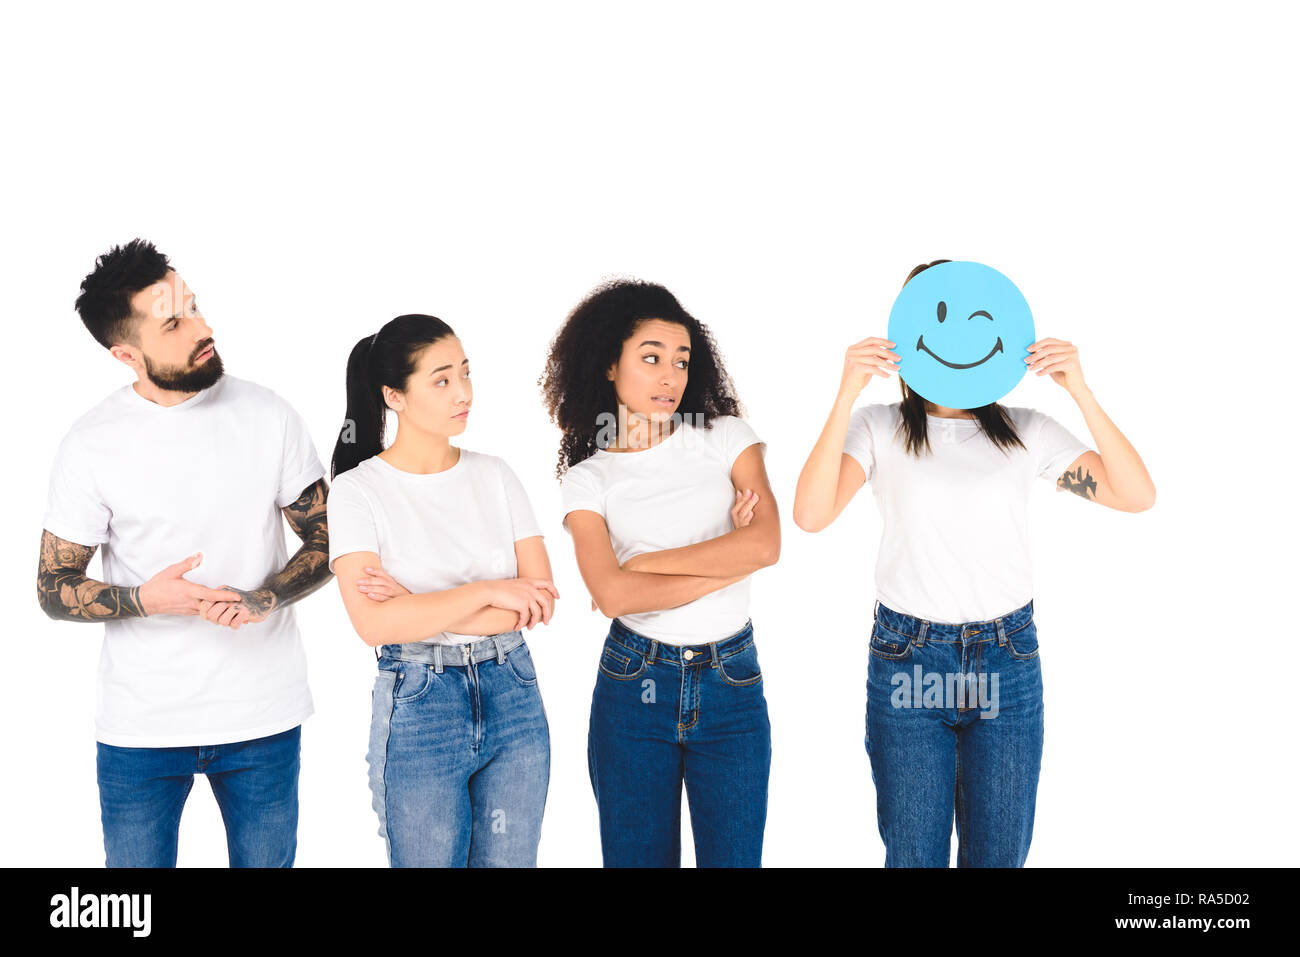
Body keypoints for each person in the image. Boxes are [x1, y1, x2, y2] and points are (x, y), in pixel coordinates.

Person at [792, 260, 1157, 867]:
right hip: (909, 659)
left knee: (999, 857)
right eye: (935, 316)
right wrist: (846, 391)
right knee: (913, 856)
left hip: (1006, 660)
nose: (956, 337)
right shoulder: (878, 428)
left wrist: (1080, 390)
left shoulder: (1026, 432)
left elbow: (1135, 495)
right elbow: (810, 514)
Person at [38, 238, 332, 867]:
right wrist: (146, 600)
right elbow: (53, 585)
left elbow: (331, 539)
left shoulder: (268, 415)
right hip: (141, 728)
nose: (205, 329)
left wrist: (266, 596)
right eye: (174, 323)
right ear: (126, 354)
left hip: (262, 716)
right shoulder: (90, 444)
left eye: (195, 307)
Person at [543, 279, 781, 867]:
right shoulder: (588, 479)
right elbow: (613, 594)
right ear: (608, 365)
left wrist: (649, 564)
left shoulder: (726, 437)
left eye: (680, 361)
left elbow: (769, 544)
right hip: (634, 687)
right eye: (650, 358)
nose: (670, 376)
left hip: (732, 681)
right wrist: (730, 553)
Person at [327, 314, 558, 867]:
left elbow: (538, 600)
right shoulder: (357, 492)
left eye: (466, 374)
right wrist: (489, 590)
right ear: (393, 395)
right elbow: (375, 626)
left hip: (514, 691)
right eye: (442, 379)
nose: (464, 393)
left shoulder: (496, 475)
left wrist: (414, 600)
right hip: (420, 701)